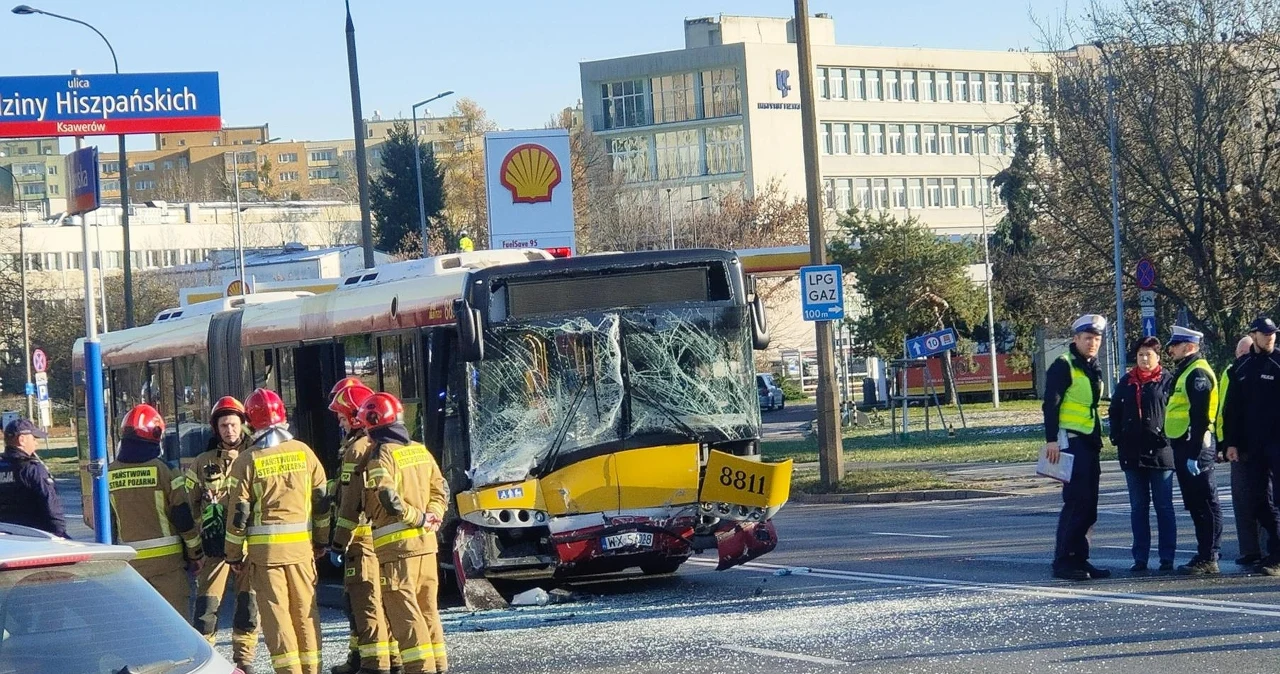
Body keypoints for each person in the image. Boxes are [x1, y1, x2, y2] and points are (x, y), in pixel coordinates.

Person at [225, 388, 330, 674]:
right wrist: (321, 541)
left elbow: (238, 515)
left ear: (250, 421)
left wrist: (233, 555)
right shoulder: (305, 453)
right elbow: (321, 504)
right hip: (302, 553)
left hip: (266, 557)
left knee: (277, 618)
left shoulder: (246, 461)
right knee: (306, 614)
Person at [359, 392, 449, 674]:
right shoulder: (420, 450)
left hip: (398, 550)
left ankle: (420, 669)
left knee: (405, 612)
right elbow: (441, 489)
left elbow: (387, 497)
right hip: (426, 545)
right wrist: (432, 516)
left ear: (374, 423)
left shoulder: (380, 455)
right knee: (428, 609)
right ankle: (439, 666)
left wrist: (416, 517)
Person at [330, 385, 401, 674]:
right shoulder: (374, 447)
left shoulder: (357, 449)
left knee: (365, 601)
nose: (340, 421)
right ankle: (378, 659)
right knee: (369, 602)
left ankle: (374, 664)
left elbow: (350, 502)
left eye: (344, 416)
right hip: (377, 537)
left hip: (360, 541)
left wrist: (338, 541)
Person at [187, 396, 260, 673]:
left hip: (247, 546)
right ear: (215, 429)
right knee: (207, 606)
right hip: (215, 549)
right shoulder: (202, 462)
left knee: (248, 605)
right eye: (223, 425)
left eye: (233, 424)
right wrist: (198, 539)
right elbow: (188, 502)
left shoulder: (254, 457)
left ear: (243, 425)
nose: (229, 430)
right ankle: (206, 660)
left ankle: (245, 660)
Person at [107, 404, 203, 614]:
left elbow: (109, 523)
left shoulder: (110, 473)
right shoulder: (166, 471)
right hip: (167, 566)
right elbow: (183, 517)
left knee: (144, 627)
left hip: (130, 566)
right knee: (175, 626)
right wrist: (196, 554)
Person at [1044, 314, 1109, 581]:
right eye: (1087, 338)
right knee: (1076, 503)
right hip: (1070, 442)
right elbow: (1051, 404)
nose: (1093, 343)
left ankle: (1080, 558)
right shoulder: (1064, 365)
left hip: (1089, 441)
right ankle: (1064, 561)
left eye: (1097, 338)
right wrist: (1052, 441)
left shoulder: (1090, 365)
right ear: (1076, 339)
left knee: (1089, 505)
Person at [1108, 336, 1176, 572]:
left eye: (1149, 354)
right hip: (1132, 453)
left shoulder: (1168, 380)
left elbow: (1177, 411)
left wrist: (1169, 436)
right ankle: (1140, 557)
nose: (1144, 359)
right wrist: (1116, 435)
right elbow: (1114, 410)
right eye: (1140, 355)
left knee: (1164, 507)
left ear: (1158, 356)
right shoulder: (1126, 381)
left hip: (1161, 452)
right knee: (1138, 507)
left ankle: (1167, 557)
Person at [1222, 318, 1280, 574]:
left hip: (1277, 443)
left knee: (1277, 499)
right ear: (1253, 335)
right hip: (1252, 446)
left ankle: (1276, 555)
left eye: (1273, 334)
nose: (1270, 338)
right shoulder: (1241, 367)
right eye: (1265, 334)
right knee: (1256, 501)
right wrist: (1230, 443)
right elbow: (1232, 409)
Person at [1165, 326, 1223, 575]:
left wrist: (1193, 452)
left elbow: (1199, 415)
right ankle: (1204, 553)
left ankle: (1209, 556)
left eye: (1175, 345)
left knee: (1205, 502)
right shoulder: (1186, 370)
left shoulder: (1197, 372)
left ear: (1189, 347)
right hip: (1185, 445)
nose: (1171, 350)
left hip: (1195, 447)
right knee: (1196, 503)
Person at [0, 418, 66, 538]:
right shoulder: (31, 469)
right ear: (22, 440)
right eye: (34, 439)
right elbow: (49, 502)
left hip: (6, 536)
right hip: (36, 535)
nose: (36, 443)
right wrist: (60, 533)